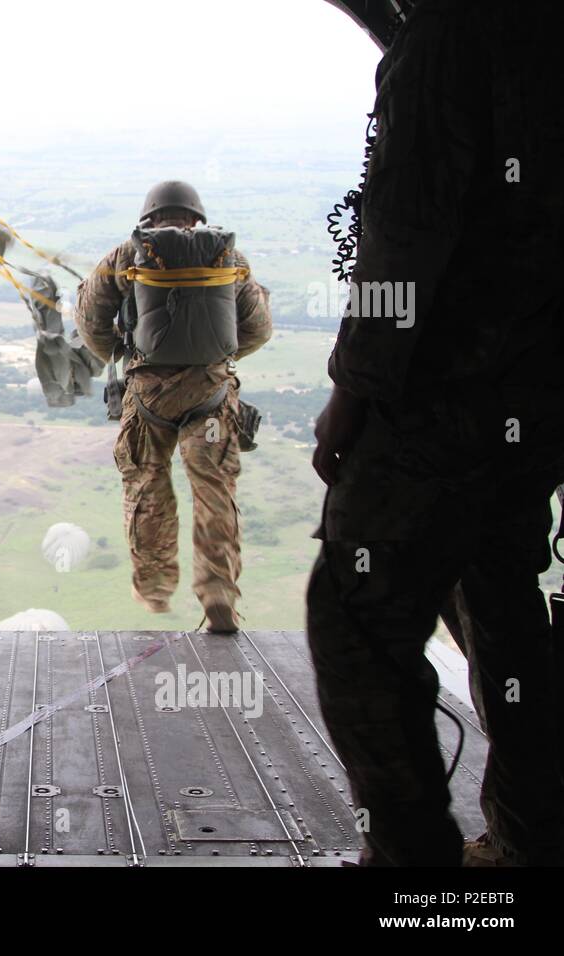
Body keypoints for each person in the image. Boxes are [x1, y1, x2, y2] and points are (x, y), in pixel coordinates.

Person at [306, 0, 564, 865]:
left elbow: (406, 236)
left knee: (356, 614)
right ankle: (534, 840)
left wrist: (356, 389)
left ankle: (415, 872)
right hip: (534, 390)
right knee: (499, 596)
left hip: (446, 389)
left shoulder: (453, 33)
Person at [74, 181, 272, 632]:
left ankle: (155, 586)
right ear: (197, 218)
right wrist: (218, 361)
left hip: (148, 395)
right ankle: (218, 590)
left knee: (146, 483)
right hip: (212, 394)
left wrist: (120, 351)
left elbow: (90, 322)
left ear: (148, 218)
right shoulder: (227, 256)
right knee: (215, 492)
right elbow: (257, 328)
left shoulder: (126, 256)